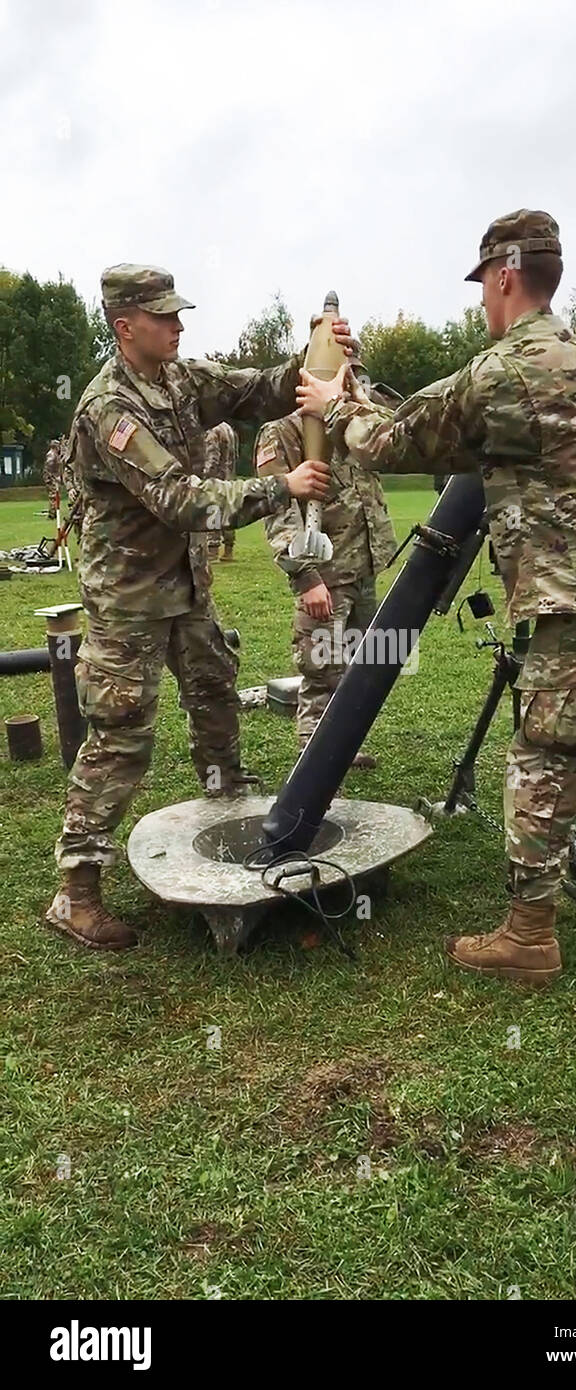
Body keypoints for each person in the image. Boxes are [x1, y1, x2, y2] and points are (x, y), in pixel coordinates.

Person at [297, 210, 576, 985]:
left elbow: (390, 443)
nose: (480, 301)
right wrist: (362, 387)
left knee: (545, 755)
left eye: (481, 285)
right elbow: (439, 418)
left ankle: (529, 935)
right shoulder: (575, 354)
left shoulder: (504, 370)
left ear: (503, 276)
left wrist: (337, 403)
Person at [46, 263, 352, 951]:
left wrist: (314, 354)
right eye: (164, 316)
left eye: (178, 313)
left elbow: (258, 388)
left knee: (215, 697)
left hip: (185, 589)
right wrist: (281, 486)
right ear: (126, 327)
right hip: (129, 599)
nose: (179, 325)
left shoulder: (181, 379)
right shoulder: (109, 409)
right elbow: (180, 500)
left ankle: (231, 814)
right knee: (121, 739)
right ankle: (76, 892)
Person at [255, 365, 398, 766]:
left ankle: (342, 748)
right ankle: (313, 762)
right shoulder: (284, 432)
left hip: (364, 566)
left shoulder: (354, 423)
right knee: (321, 671)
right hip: (325, 574)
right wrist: (306, 576)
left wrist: (360, 401)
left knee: (359, 666)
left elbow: (400, 431)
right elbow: (278, 510)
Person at [202, 421, 238, 561]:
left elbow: (212, 458)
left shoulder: (212, 430)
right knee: (228, 512)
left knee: (213, 512)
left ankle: (213, 550)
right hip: (229, 477)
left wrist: (204, 477)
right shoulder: (227, 427)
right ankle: (228, 550)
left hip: (216, 479)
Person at [43, 439, 63, 517]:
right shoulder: (51, 454)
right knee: (53, 495)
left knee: (55, 495)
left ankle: (54, 511)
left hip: (52, 477)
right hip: (51, 478)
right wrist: (54, 477)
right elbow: (50, 468)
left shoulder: (54, 454)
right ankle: (52, 513)